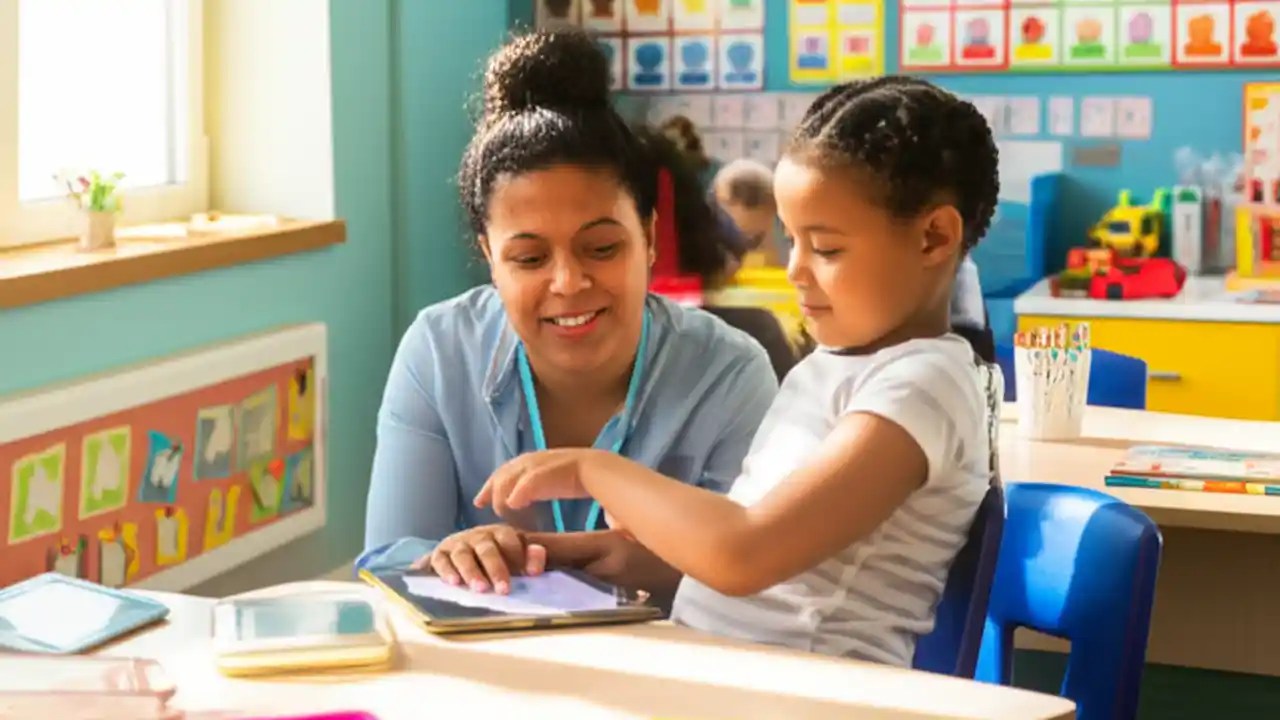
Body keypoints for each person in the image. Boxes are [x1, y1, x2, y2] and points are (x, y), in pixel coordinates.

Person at [474, 76, 1000, 667]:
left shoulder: (925, 385)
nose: (796, 270)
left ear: (934, 237)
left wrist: (595, 470)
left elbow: (743, 553)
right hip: (730, 677)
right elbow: (721, 562)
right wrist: (545, 554)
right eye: (791, 240)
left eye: (825, 249)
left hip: (810, 701)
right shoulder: (833, 369)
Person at [359, 29, 778, 609]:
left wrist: (652, 566)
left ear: (650, 238)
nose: (568, 283)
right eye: (529, 258)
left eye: (602, 248)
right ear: (489, 256)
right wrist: (447, 558)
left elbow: (754, 585)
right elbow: (389, 561)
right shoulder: (439, 351)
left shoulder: (729, 373)